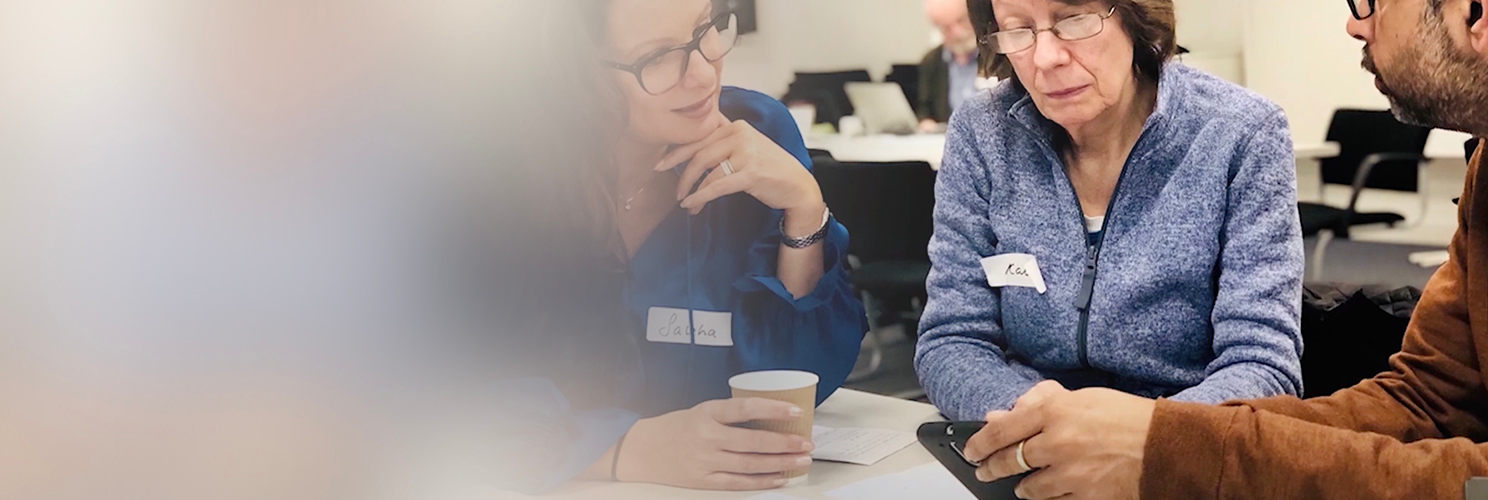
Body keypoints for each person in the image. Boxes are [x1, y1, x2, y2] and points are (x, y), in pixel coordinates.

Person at [959, 0, 1488, 497]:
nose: (1355, 23)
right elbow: (1428, 399)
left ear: (1475, 13)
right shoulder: (1483, 164)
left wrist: (1163, 447)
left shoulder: (1239, 129)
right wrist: (1148, 441)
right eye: (1017, 27)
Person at [475, 0, 868, 493]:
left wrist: (805, 210)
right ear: (567, 76)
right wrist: (619, 449)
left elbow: (796, 388)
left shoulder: (756, 134)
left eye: (706, 28)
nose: (704, 75)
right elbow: (431, 388)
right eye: (657, 57)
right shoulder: (493, 178)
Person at [914, 0, 1305, 422]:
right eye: (1017, 29)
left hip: (1180, 452)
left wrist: (1132, 438)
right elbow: (951, 340)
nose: (1046, 58)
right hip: (1023, 437)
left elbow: (1262, 366)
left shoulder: (1240, 133)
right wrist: (1040, 421)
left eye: (1074, 21)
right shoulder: (983, 132)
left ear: (1135, 17)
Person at [917, 0, 985, 132]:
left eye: (961, 21)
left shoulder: (998, 54)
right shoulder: (932, 61)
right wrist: (926, 123)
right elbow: (925, 108)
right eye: (946, 28)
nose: (957, 33)